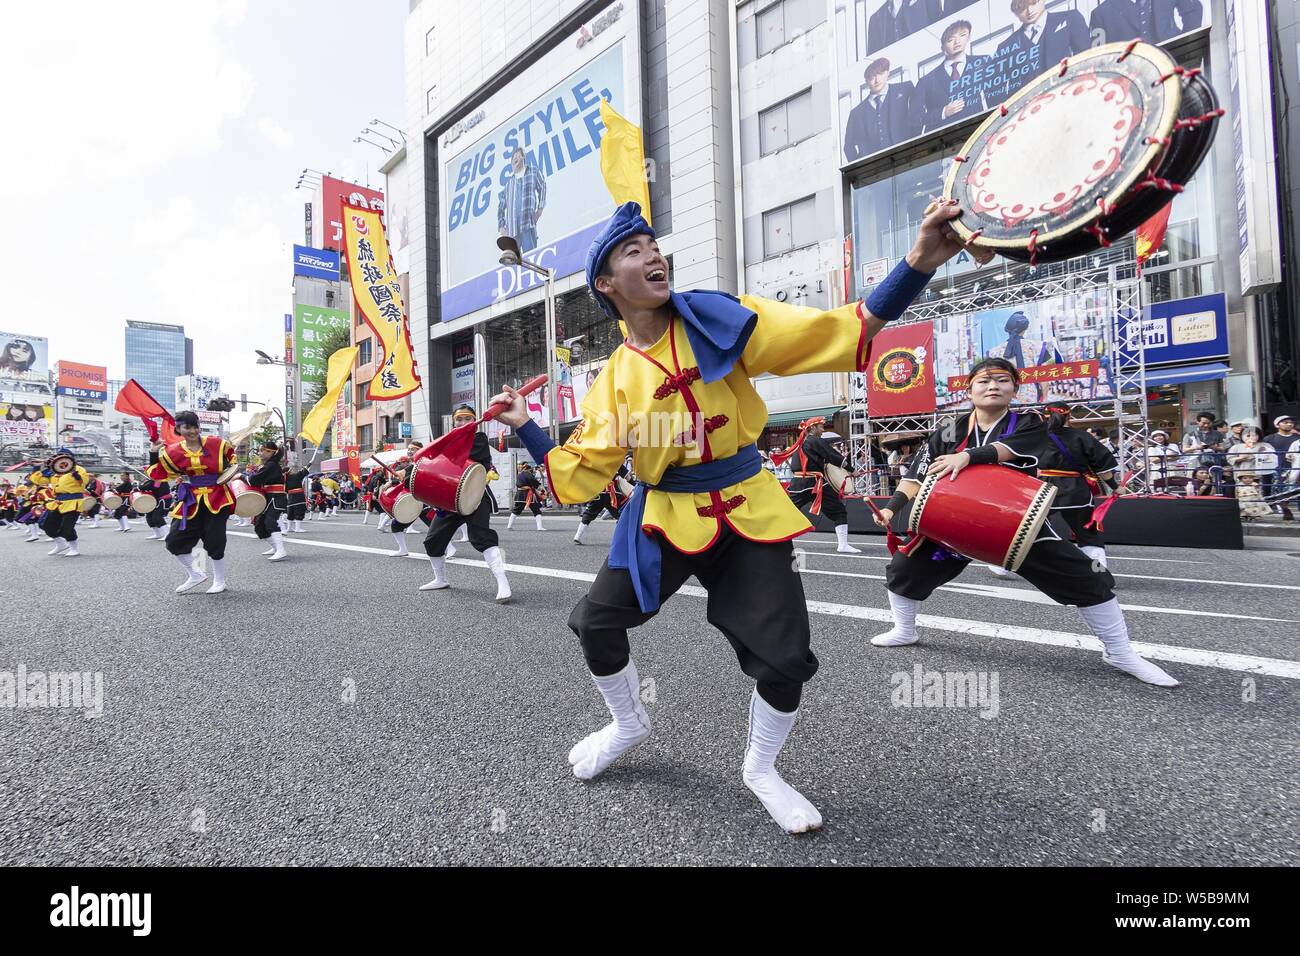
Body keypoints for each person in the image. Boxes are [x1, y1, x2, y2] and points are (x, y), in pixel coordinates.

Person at [488, 198, 985, 833]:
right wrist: (528, 426)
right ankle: (628, 721)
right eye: (632, 252)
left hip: (749, 507)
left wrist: (916, 264)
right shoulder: (612, 379)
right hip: (665, 515)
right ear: (606, 285)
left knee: (784, 659)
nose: (654, 256)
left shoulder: (715, 319)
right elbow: (577, 472)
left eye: (654, 246)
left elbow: (835, 331)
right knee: (594, 623)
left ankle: (761, 767)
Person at [868, 358, 1178, 687]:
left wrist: (967, 456)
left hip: (1014, 521)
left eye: (1002, 381)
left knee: (1087, 577)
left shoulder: (1028, 423)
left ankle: (1119, 652)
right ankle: (905, 630)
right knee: (904, 568)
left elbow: (1007, 450)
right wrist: (891, 509)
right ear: (969, 389)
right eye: (984, 381)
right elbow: (915, 478)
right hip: (953, 522)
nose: (993, 387)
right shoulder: (950, 428)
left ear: (1015, 388)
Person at [417, 404, 512, 601]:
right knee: (433, 541)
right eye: (458, 419)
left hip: (474, 496)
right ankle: (440, 579)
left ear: (475, 421)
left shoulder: (478, 439)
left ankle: (503, 583)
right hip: (449, 498)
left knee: (481, 536)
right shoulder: (446, 442)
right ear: (453, 423)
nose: (462, 422)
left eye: (467, 418)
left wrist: (442, 448)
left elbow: (462, 458)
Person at [145, 412, 237, 594]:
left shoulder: (217, 444)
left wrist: (230, 471)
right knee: (174, 540)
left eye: (195, 426)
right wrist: (154, 453)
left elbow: (233, 459)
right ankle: (195, 574)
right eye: (187, 427)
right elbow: (158, 474)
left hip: (217, 497)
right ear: (178, 429)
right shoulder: (172, 452)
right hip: (191, 500)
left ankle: (220, 580)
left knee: (215, 539)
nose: (193, 431)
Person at [1035, 401, 1118, 569]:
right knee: (1087, 533)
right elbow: (1103, 467)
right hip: (1076, 490)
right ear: (1069, 415)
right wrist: (1115, 487)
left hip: (1043, 490)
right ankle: (1099, 571)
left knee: (1027, 527)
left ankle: (1003, 564)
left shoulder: (1035, 437)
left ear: (1044, 417)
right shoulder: (1082, 436)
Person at [777, 416, 862, 553]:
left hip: (798, 484)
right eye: (821, 427)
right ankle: (843, 545)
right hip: (816, 484)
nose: (823, 430)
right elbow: (832, 456)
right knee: (839, 511)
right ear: (813, 428)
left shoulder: (801, 443)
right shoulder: (815, 441)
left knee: (786, 512)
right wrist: (852, 470)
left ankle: (773, 540)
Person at [995, 0, 1089, 99]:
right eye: (1022, 8)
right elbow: (1000, 91)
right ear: (1015, 12)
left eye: (1033, 3)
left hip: (1069, 96)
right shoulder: (1005, 47)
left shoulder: (1070, 19)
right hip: (1029, 108)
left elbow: (1086, 58)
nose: (1029, 10)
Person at [917, 20, 991, 134]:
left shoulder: (983, 62)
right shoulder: (926, 81)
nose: (957, 41)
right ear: (943, 48)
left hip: (979, 130)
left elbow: (996, 96)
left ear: (969, 37)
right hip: (945, 139)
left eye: (962, 35)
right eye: (950, 40)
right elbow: (915, 119)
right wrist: (943, 112)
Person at [843, 58, 917, 162]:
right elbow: (848, 146)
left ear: (888, 73)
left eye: (880, 73)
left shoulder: (905, 89)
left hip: (907, 158)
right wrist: (862, 168)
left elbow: (918, 116)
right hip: (875, 170)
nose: (877, 80)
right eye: (871, 77)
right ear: (866, 81)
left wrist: (916, 145)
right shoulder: (856, 113)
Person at [27, 449, 93, 557]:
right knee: (45, 524)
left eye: (63, 455)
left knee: (67, 527)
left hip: (73, 501)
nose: (60, 457)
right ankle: (60, 544)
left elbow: (84, 482)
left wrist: (73, 472)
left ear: (70, 457)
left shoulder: (79, 469)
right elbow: (39, 481)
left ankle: (73, 548)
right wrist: (37, 466)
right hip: (58, 501)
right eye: (59, 455)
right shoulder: (54, 470)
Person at [1089, 0, 1203, 46]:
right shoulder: (1100, 14)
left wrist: (1186, 46)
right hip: (1132, 86)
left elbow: (1193, 10)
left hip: (1173, 66)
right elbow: (1098, 59)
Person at [498, 146, 547, 253]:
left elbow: (542, 186)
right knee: (513, 263)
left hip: (528, 226)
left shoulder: (533, 171)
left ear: (523, 158)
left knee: (531, 258)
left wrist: (539, 210)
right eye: (513, 157)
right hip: (512, 232)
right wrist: (501, 226)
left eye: (518, 155)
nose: (515, 158)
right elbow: (501, 205)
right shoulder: (508, 184)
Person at [246, 441, 289, 561]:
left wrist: (243, 477)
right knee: (259, 524)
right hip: (269, 497)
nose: (259, 453)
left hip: (276, 498)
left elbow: (254, 480)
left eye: (261, 450)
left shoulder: (271, 465)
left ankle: (281, 550)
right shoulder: (269, 464)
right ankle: (275, 547)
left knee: (270, 521)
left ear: (270, 452)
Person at [573, 459, 633, 546]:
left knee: (589, 513)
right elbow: (628, 477)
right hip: (612, 495)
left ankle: (577, 536)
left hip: (599, 493)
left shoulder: (595, 461)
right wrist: (635, 484)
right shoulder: (615, 461)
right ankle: (621, 539)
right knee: (621, 516)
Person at [865, 0, 943, 55]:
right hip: (896, 73)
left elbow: (941, 31)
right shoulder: (875, 18)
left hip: (927, 62)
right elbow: (873, 62)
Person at [1262, 415, 1299, 520]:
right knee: (1274, 488)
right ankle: (1277, 509)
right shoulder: (1269, 438)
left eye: (1291, 422)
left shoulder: (1297, 438)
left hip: (1293, 467)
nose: (1289, 424)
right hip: (1275, 468)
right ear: (1277, 425)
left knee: (1293, 489)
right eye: (1285, 422)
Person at [508, 461, 546, 531]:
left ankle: (509, 526)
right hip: (529, 495)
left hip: (520, 495)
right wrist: (543, 491)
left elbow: (518, 484)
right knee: (536, 511)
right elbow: (536, 484)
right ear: (529, 469)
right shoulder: (529, 474)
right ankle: (539, 527)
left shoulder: (519, 474)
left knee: (516, 510)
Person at [137, 473, 170, 540]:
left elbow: (145, 487)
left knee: (157, 516)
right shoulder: (153, 480)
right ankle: (157, 534)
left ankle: (168, 534)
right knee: (149, 516)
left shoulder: (160, 480)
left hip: (163, 500)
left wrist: (140, 485)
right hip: (157, 500)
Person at [284, 461, 309, 532]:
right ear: (289, 471)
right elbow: (304, 470)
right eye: (291, 470)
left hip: (290, 498)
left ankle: (289, 528)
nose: (293, 470)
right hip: (298, 497)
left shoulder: (285, 480)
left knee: (290, 512)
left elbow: (285, 490)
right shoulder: (296, 476)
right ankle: (297, 528)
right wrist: (309, 464)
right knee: (299, 511)